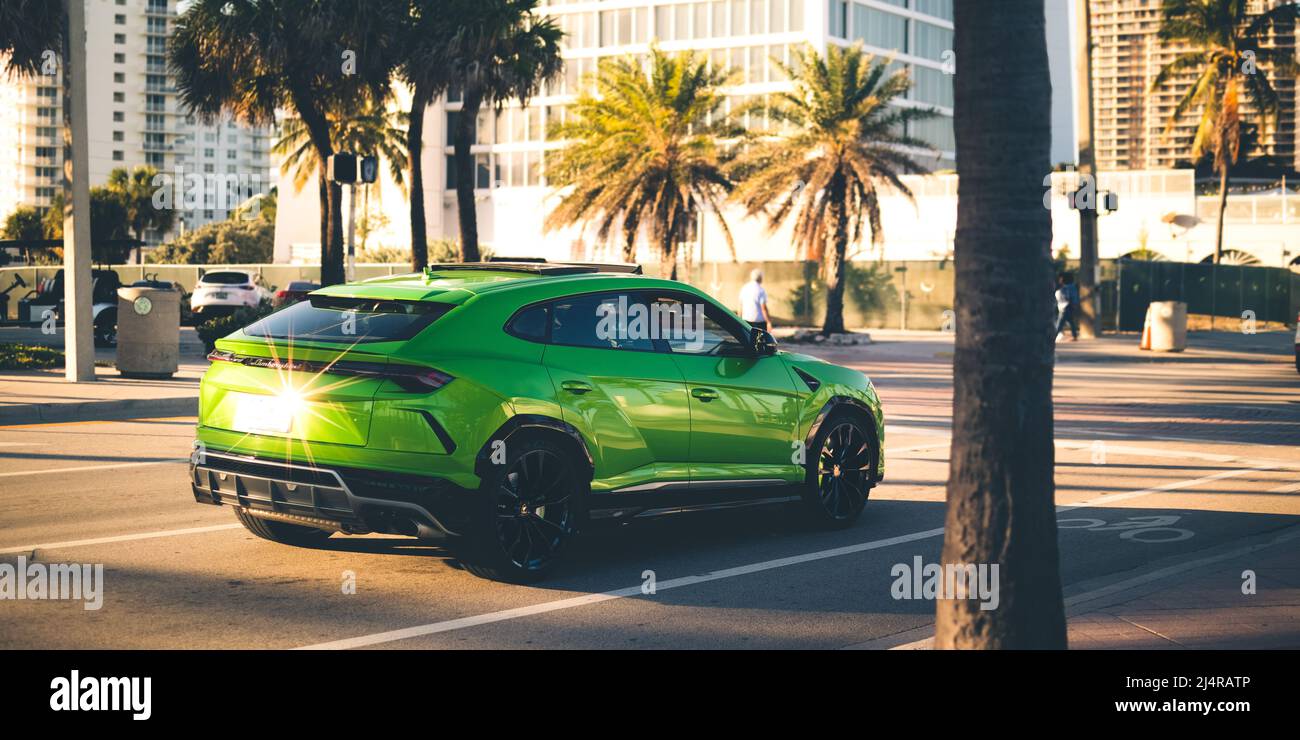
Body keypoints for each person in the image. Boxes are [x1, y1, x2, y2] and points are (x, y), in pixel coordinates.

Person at [1055, 273, 1079, 342]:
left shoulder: (1065, 288)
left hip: (1065, 307)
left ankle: (1053, 337)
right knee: (1071, 322)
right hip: (1068, 306)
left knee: (1060, 323)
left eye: (1061, 278)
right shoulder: (1072, 287)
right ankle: (1075, 336)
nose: (1059, 280)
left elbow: (1066, 297)